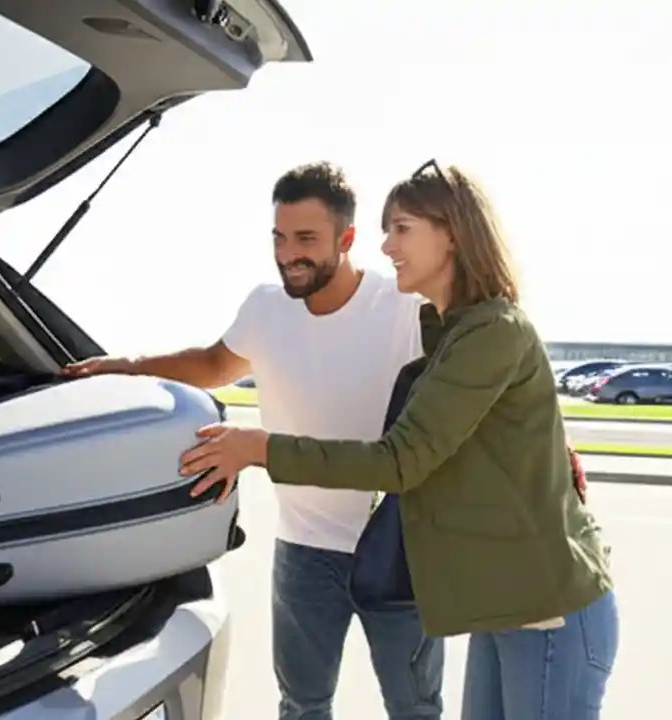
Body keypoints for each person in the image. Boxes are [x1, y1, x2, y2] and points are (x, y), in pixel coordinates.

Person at [178, 160, 619, 720]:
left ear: (453, 234)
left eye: (402, 229)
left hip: (551, 609)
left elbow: (401, 460)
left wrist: (259, 447)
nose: (386, 246)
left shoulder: (492, 331)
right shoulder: (444, 331)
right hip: (504, 606)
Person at [62, 161, 445, 719]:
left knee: (415, 709)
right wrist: (125, 366)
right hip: (305, 551)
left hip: (397, 547)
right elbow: (215, 363)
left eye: (306, 239)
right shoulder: (266, 307)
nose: (289, 253)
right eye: (280, 237)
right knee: (302, 706)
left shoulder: (403, 309)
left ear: (347, 238)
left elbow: (479, 380)